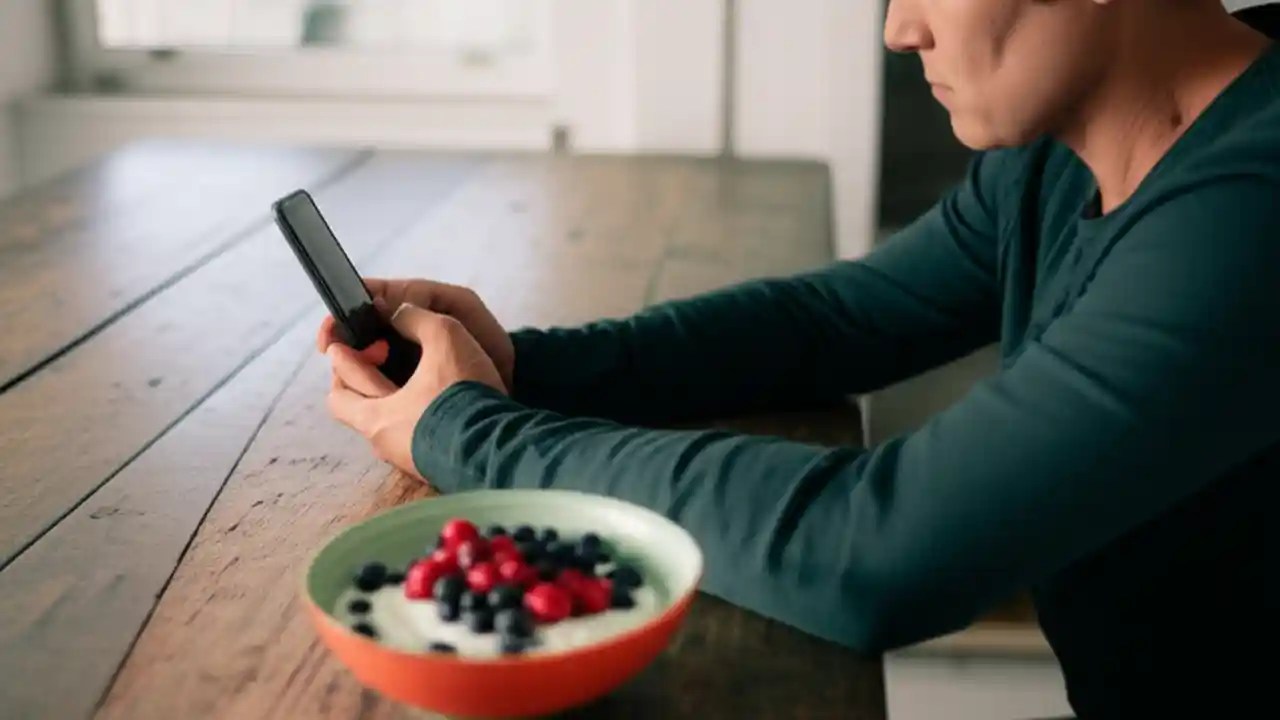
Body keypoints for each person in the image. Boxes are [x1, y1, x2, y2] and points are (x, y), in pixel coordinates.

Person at [318, 1, 1277, 716]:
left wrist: (473, 434)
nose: (900, 28)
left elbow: (877, 550)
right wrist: (529, 367)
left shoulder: (1253, 209)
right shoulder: (1074, 147)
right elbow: (838, 318)